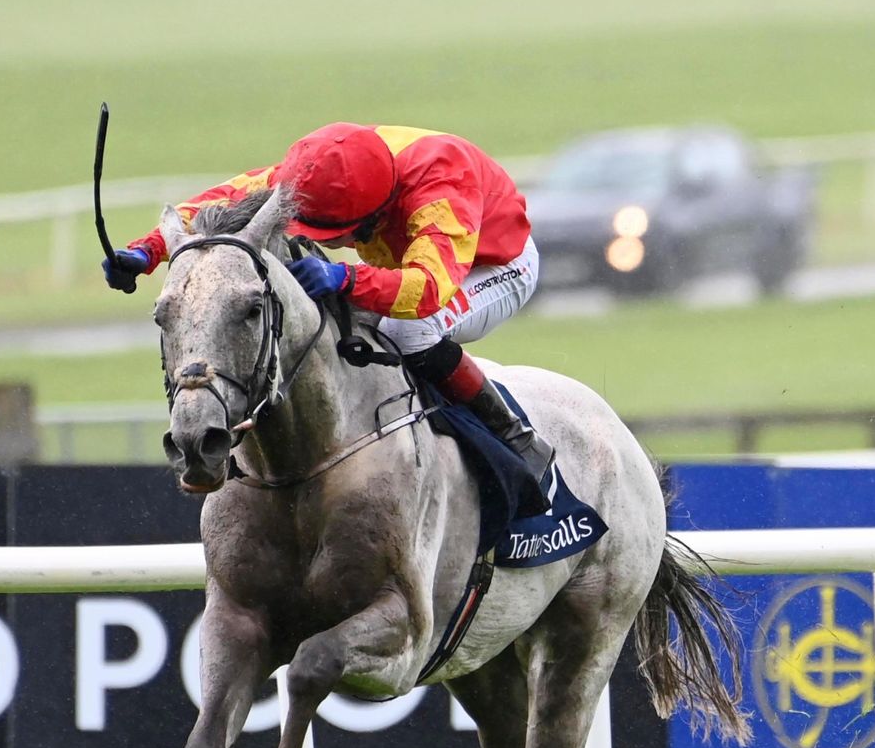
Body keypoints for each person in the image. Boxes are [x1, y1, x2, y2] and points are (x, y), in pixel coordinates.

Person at [102, 122, 554, 483]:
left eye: (328, 232)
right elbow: (214, 204)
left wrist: (344, 276)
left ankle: (512, 435)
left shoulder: (440, 192)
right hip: (406, 261)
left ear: (369, 216)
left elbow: (426, 291)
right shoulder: (321, 171)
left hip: (492, 265)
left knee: (407, 330)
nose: (324, 240)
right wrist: (144, 252)